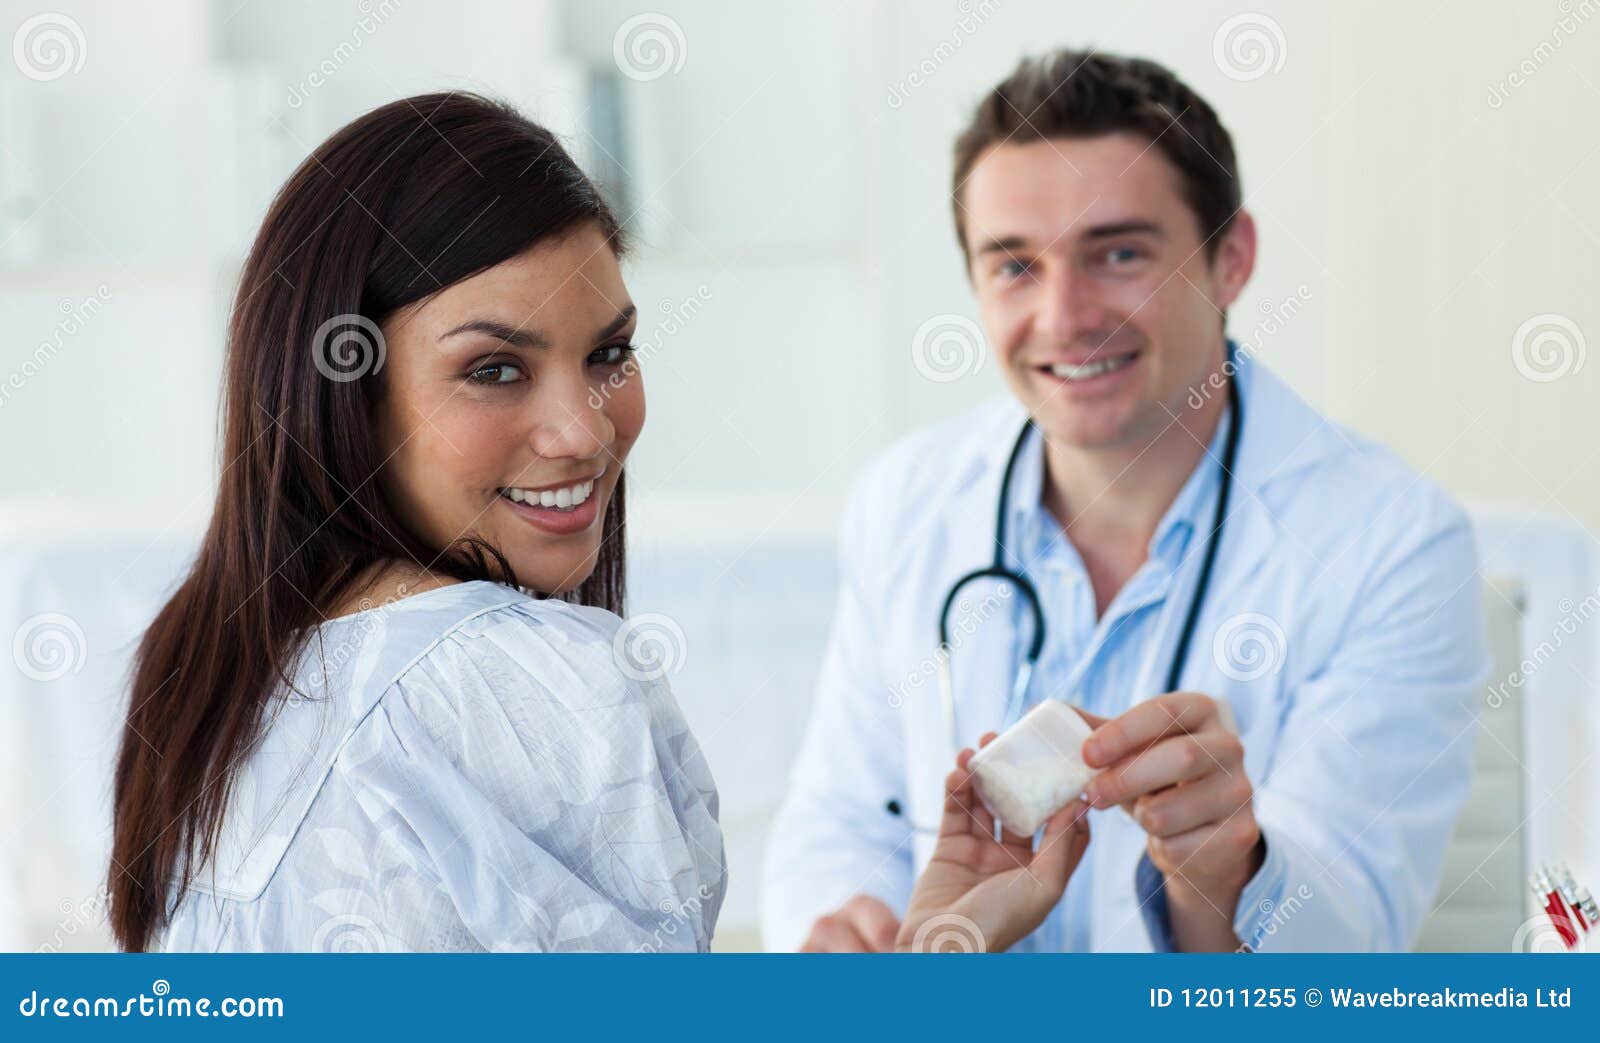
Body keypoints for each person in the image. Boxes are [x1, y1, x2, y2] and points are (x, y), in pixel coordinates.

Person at [763, 50, 1489, 953]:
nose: (1066, 316)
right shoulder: (906, 502)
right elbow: (842, 813)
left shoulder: (1394, 545)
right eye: (1016, 265)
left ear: (1232, 260)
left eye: (1117, 253)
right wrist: (848, 929)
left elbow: (1350, 940)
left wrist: (1227, 870)